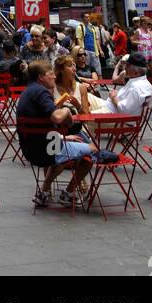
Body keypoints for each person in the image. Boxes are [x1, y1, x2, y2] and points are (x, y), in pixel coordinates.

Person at [16, 60, 95, 208]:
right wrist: (66, 111)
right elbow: (57, 117)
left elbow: (41, 125)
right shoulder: (41, 92)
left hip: (31, 148)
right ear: (41, 77)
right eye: (51, 74)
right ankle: (69, 193)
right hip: (46, 150)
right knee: (93, 151)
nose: (54, 77)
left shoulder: (27, 92)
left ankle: (44, 191)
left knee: (66, 149)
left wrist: (64, 137)